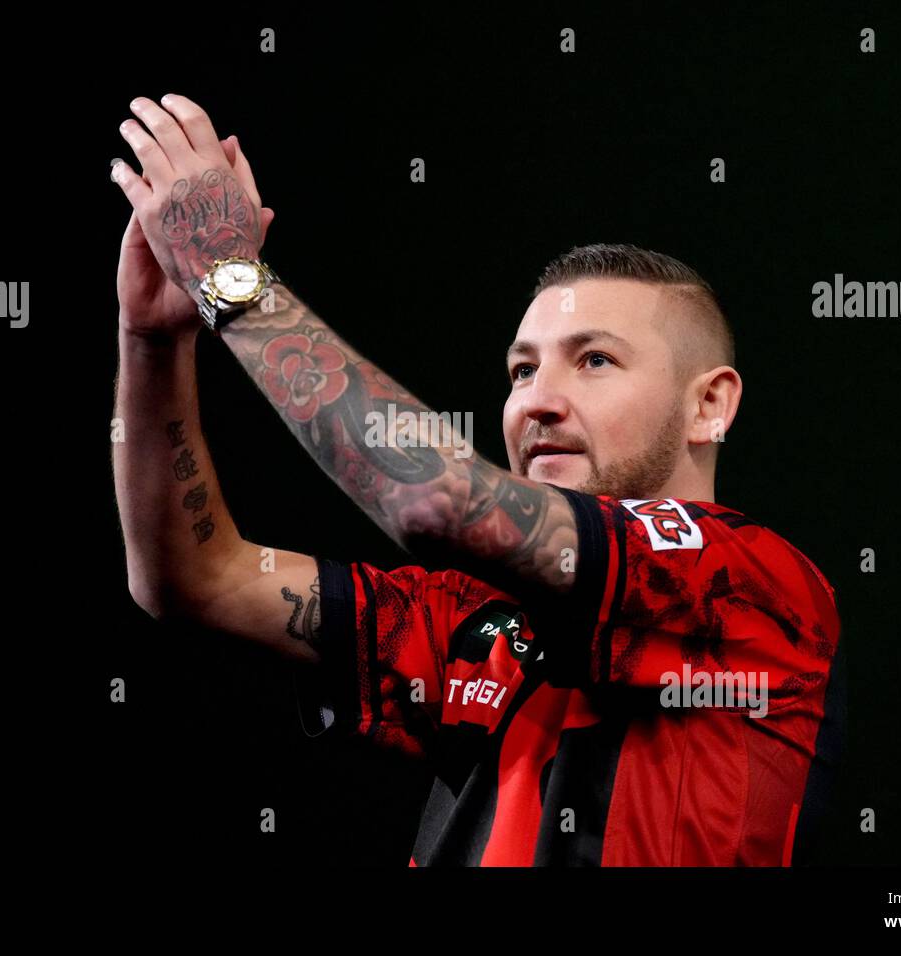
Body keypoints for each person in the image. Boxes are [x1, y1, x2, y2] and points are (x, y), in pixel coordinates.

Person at [110, 93, 844, 866]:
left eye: (595, 360)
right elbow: (195, 577)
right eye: (521, 370)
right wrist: (153, 341)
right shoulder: (469, 626)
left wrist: (232, 280)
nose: (537, 401)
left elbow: (435, 501)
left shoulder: (753, 588)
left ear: (709, 405)